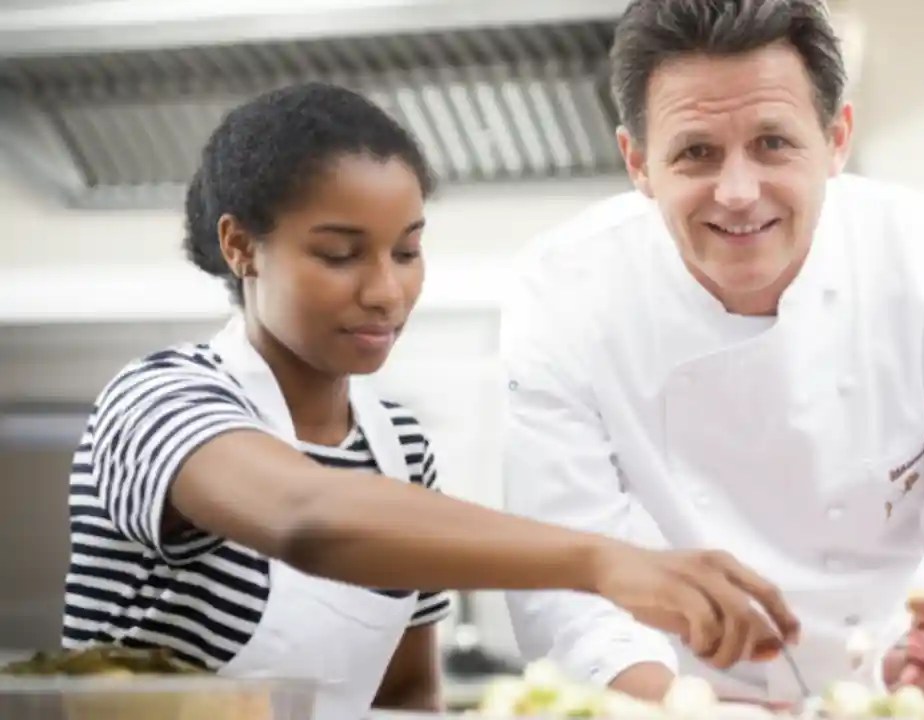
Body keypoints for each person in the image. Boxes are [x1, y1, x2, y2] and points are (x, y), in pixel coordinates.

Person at [60, 82, 800, 720]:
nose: (387, 291)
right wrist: (606, 563)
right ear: (241, 246)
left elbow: (406, 697)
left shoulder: (399, 449)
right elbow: (306, 518)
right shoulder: (156, 400)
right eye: (340, 253)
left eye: (407, 251)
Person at [500, 0, 924, 706]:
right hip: (668, 698)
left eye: (773, 143)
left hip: (898, 695)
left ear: (837, 139)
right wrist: (681, 706)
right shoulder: (564, 293)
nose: (738, 194)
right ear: (638, 163)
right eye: (696, 152)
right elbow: (567, 587)